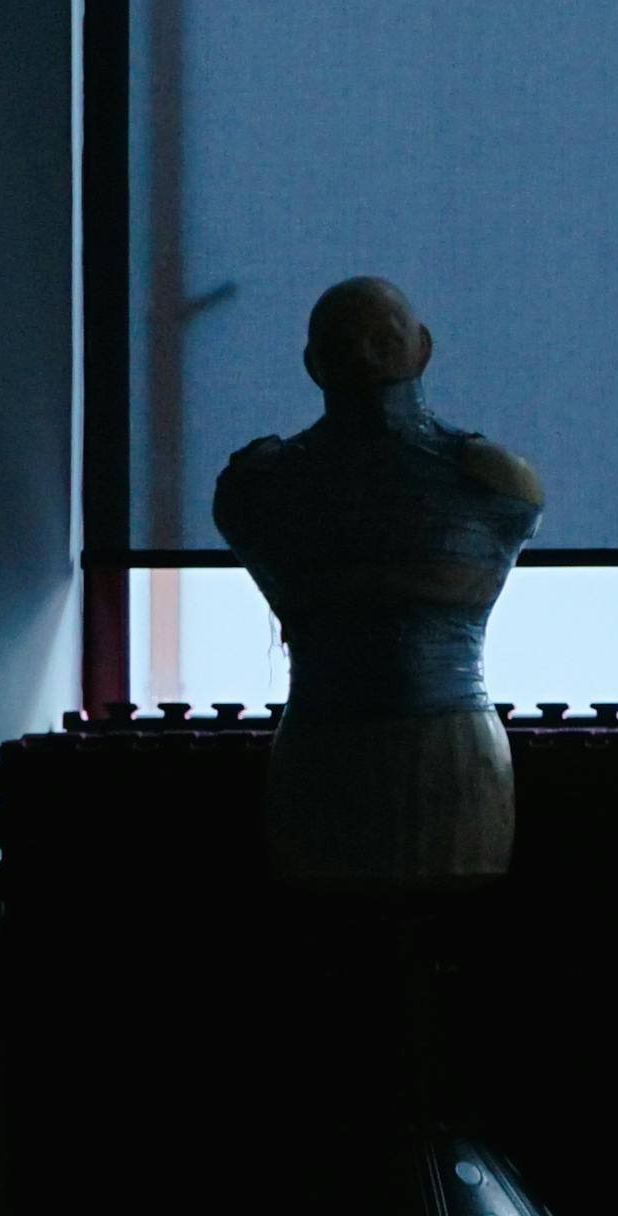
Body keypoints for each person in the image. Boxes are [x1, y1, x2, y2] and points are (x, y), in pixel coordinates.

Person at [214, 278, 548, 887]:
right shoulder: (261, 487)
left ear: (421, 346)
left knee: (447, 946)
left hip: (452, 755)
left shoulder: (493, 483)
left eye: (383, 339)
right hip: (325, 750)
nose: (365, 356)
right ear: (315, 363)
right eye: (344, 344)